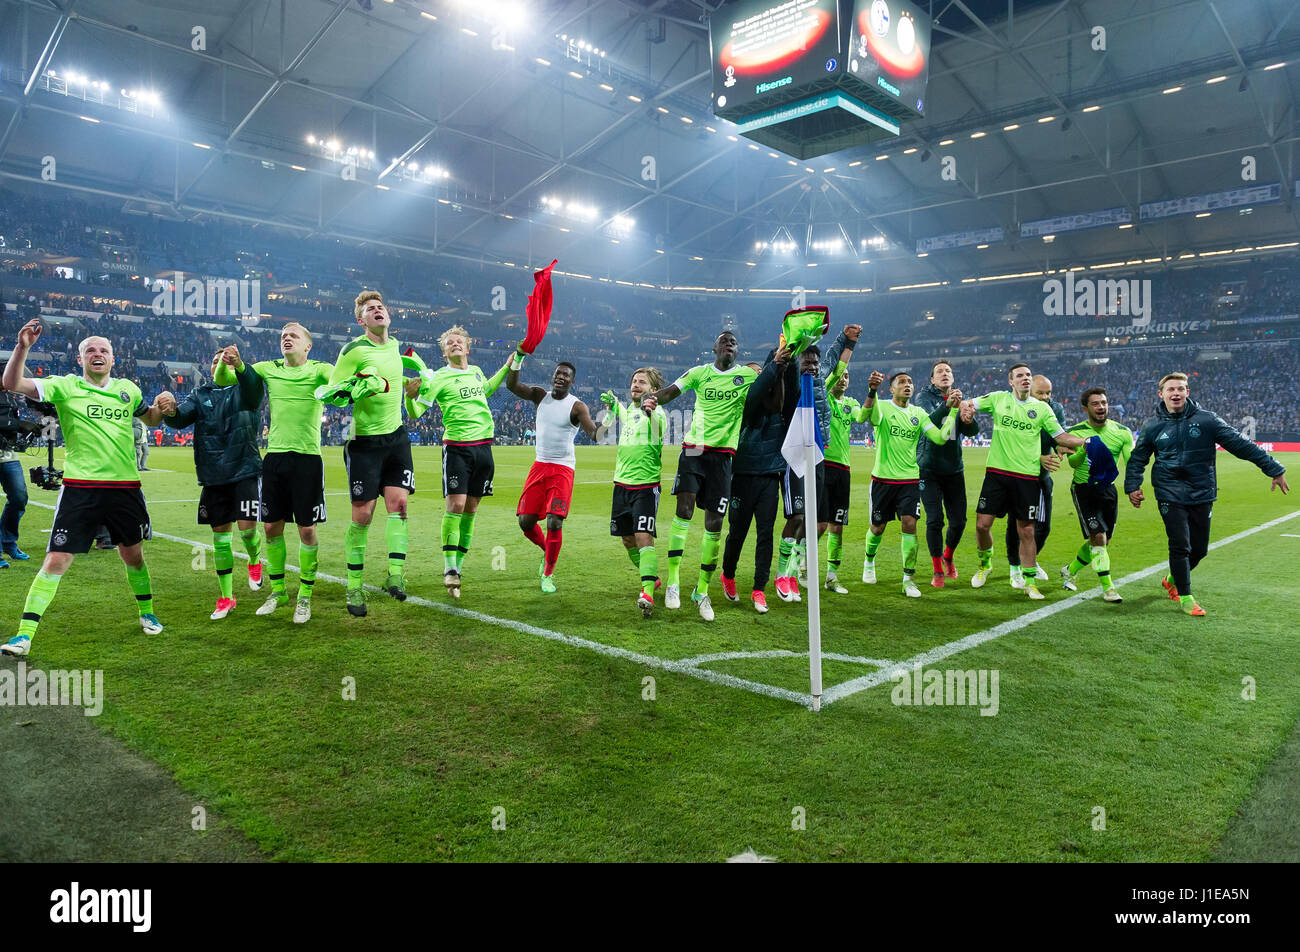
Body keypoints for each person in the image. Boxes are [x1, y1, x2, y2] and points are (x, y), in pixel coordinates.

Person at [1, 320, 171, 658]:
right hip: (81, 488)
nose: (97, 354)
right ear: (80, 359)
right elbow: (11, 383)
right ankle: (24, 634)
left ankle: (147, 612)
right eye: (90, 350)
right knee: (57, 558)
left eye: (103, 350)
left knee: (132, 555)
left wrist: (164, 408)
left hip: (125, 488)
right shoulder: (65, 386)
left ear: (113, 358)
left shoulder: (128, 390)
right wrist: (23, 347)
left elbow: (149, 418)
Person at [641, 331, 781, 622]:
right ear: (715, 347)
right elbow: (669, 392)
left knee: (714, 524)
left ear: (737, 352)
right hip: (694, 450)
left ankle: (702, 591)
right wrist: (651, 398)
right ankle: (674, 583)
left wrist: (777, 367)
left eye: (734, 342)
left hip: (724, 456)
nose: (729, 344)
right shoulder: (699, 372)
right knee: (684, 509)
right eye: (724, 341)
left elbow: (772, 402)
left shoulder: (747, 376)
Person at [1124, 371, 1288, 616]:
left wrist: (1273, 469)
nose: (1176, 393)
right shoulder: (1152, 426)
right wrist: (1133, 486)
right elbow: (1138, 459)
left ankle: (1171, 579)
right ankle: (1186, 597)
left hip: (1201, 490)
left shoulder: (1207, 420)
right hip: (1168, 491)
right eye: (1171, 390)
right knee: (1180, 544)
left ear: (1187, 392)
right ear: (1161, 394)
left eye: (1180, 388)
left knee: (1199, 550)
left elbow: (1240, 445)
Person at [228, 323, 334, 624]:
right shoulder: (267, 368)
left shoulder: (320, 369)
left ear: (307, 346)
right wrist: (235, 363)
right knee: (271, 527)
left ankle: (304, 595)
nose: (286, 339)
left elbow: (340, 381)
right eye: (283, 336)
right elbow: (242, 376)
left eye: (294, 336)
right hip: (275, 457)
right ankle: (277, 591)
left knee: (306, 529)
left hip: (307, 459)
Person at [324, 291, 415, 616]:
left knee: (400, 505)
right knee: (363, 515)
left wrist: (415, 387)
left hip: (397, 439)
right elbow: (330, 394)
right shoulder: (352, 350)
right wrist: (355, 389)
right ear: (361, 320)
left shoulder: (395, 348)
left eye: (380, 307)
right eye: (370, 309)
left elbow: (408, 380)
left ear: (387, 315)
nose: (377, 311)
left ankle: (395, 575)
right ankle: (354, 586)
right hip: (363, 444)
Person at [962, 364, 1085, 599]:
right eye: (1020, 376)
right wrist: (966, 411)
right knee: (981, 525)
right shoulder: (998, 399)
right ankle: (985, 565)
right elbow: (969, 403)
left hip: (1027, 477)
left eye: (1028, 375)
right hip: (997, 473)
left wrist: (1085, 442)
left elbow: (1060, 436)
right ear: (1011, 381)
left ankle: (1029, 582)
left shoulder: (1042, 409)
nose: (1025, 379)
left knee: (1027, 531)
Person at [408, 324, 511, 598]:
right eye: (449, 343)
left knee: (471, 510)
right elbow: (417, 411)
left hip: (484, 449)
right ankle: (449, 568)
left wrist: (506, 365)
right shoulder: (438, 378)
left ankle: (458, 571)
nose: (455, 344)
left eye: (459, 341)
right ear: (444, 352)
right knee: (456, 505)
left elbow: (486, 388)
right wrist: (409, 398)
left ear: (467, 347)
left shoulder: (476, 371)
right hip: (457, 448)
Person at [165, 346, 266, 619]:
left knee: (247, 532)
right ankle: (226, 598)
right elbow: (181, 418)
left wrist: (241, 365)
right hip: (213, 474)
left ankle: (255, 560)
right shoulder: (200, 394)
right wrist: (170, 410)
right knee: (221, 540)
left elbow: (256, 390)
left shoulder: (245, 389)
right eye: (214, 361)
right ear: (210, 368)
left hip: (244, 468)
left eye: (224, 360)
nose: (219, 363)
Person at [774, 325, 857, 601]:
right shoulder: (789, 380)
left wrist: (846, 339)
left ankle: (795, 572)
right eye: (805, 359)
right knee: (797, 517)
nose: (811, 364)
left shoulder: (821, 380)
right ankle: (781, 574)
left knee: (813, 522)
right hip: (796, 454)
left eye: (814, 361)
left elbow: (833, 358)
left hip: (818, 455)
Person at [861, 371, 960, 597]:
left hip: (909, 480)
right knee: (877, 528)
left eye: (910, 382)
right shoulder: (883, 406)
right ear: (891, 389)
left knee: (910, 524)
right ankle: (869, 562)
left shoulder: (918, 413)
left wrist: (953, 409)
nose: (908, 385)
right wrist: (872, 392)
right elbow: (873, 419)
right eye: (902, 382)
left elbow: (940, 437)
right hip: (883, 479)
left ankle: (908, 579)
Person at [507, 359, 600, 593]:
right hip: (539, 466)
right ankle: (546, 552)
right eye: (558, 373)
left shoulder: (577, 406)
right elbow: (512, 386)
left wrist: (608, 418)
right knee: (525, 522)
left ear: (572, 381)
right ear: (553, 376)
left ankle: (548, 573)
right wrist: (517, 360)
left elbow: (595, 435)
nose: (561, 377)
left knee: (554, 520)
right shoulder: (540, 396)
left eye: (566, 375)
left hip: (562, 469)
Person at [719, 345, 790, 613]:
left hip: (770, 475)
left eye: (760, 373)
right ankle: (728, 574)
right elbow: (757, 392)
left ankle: (759, 589)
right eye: (753, 375)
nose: (757, 378)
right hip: (744, 473)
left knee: (765, 535)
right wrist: (773, 366)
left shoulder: (777, 406)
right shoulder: (742, 405)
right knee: (737, 532)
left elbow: (778, 397)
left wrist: (780, 369)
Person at [598, 368, 670, 617]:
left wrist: (650, 411)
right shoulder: (629, 411)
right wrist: (612, 404)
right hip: (621, 485)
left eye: (642, 382)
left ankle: (647, 591)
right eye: (633, 381)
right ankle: (653, 578)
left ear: (653, 389)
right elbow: (622, 412)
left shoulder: (658, 413)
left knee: (643, 537)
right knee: (627, 539)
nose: (636, 385)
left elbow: (658, 428)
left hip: (645, 486)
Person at [1059, 387, 1134, 602]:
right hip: (1083, 490)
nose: (1101, 407)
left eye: (1103, 402)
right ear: (1085, 408)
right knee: (1098, 537)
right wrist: (1084, 448)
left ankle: (1069, 570)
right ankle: (1108, 588)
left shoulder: (1122, 432)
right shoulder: (1076, 431)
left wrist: (1134, 486)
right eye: (1095, 403)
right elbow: (1072, 463)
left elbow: (1131, 462)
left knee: (1101, 541)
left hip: (1108, 490)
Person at [913, 360, 980, 587]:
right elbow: (927, 422)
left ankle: (948, 556)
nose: (945, 374)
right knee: (934, 520)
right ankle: (937, 570)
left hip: (953, 469)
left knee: (959, 521)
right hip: (928, 468)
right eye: (940, 371)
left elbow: (971, 431)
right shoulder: (923, 398)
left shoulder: (960, 399)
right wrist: (948, 406)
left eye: (948, 371)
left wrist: (969, 419)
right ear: (932, 379)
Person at [1005, 375, 1067, 590]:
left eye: (1048, 393)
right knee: (1017, 525)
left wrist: (1060, 446)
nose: (1046, 397)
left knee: (1044, 527)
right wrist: (1036, 457)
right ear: (1028, 391)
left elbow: (1059, 434)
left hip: (1041, 476)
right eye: (1040, 393)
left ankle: (1028, 561)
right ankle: (1015, 568)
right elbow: (1013, 444)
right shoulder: (1014, 407)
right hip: (1017, 474)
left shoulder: (1055, 408)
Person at [819, 350, 859, 594]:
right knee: (820, 525)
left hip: (843, 469)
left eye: (847, 376)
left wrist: (872, 392)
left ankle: (831, 577)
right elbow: (831, 378)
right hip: (823, 464)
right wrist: (848, 348)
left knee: (837, 527)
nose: (843, 379)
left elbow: (864, 415)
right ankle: (801, 565)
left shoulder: (851, 404)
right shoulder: (823, 397)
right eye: (840, 375)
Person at [0, 391, 30, 567]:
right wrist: (20, 424)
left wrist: (31, 428)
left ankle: (8, 542)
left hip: (8, 454)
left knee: (19, 498)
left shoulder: (10, 396)